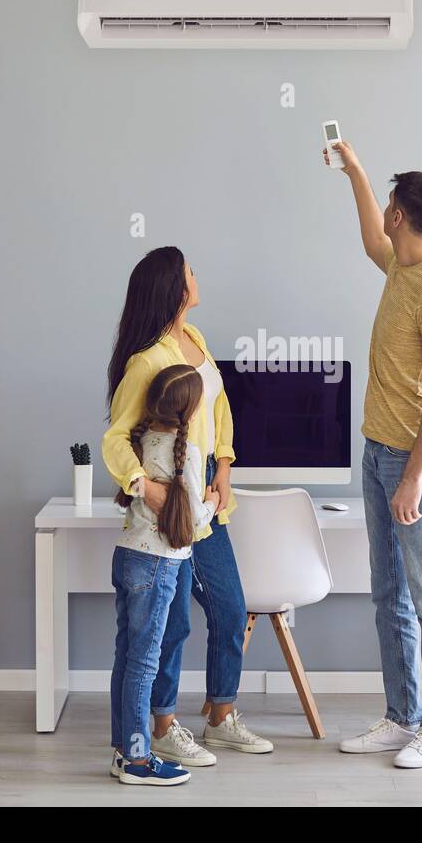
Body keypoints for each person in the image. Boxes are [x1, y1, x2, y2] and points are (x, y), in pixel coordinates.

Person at [103, 246, 274, 765]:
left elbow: (219, 406)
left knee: (229, 608)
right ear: (176, 289)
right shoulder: (146, 361)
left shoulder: (194, 340)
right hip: (169, 514)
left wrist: (224, 467)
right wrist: (147, 489)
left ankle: (220, 717)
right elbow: (115, 438)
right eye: (190, 272)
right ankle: (162, 726)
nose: (197, 277)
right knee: (171, 624)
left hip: (209, 506)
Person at [327, 139, 422, 769]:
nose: (381, 211)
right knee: (389, 594)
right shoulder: (404, 267)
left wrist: (413, 478)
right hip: (378, 454)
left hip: (417, 467)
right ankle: (402, 715)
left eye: (386, 201)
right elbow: (369, 243)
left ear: (401, 217)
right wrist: (354, 170)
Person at [109, 365, 219, 785]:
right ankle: (138, 762)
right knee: (144, 662)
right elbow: (189, 523)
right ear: (191, 411)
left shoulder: (143, 443)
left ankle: (124, 751)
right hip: (157, 564)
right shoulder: (186, 453)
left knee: (127, 658)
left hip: (127, 557)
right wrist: (210, 501)